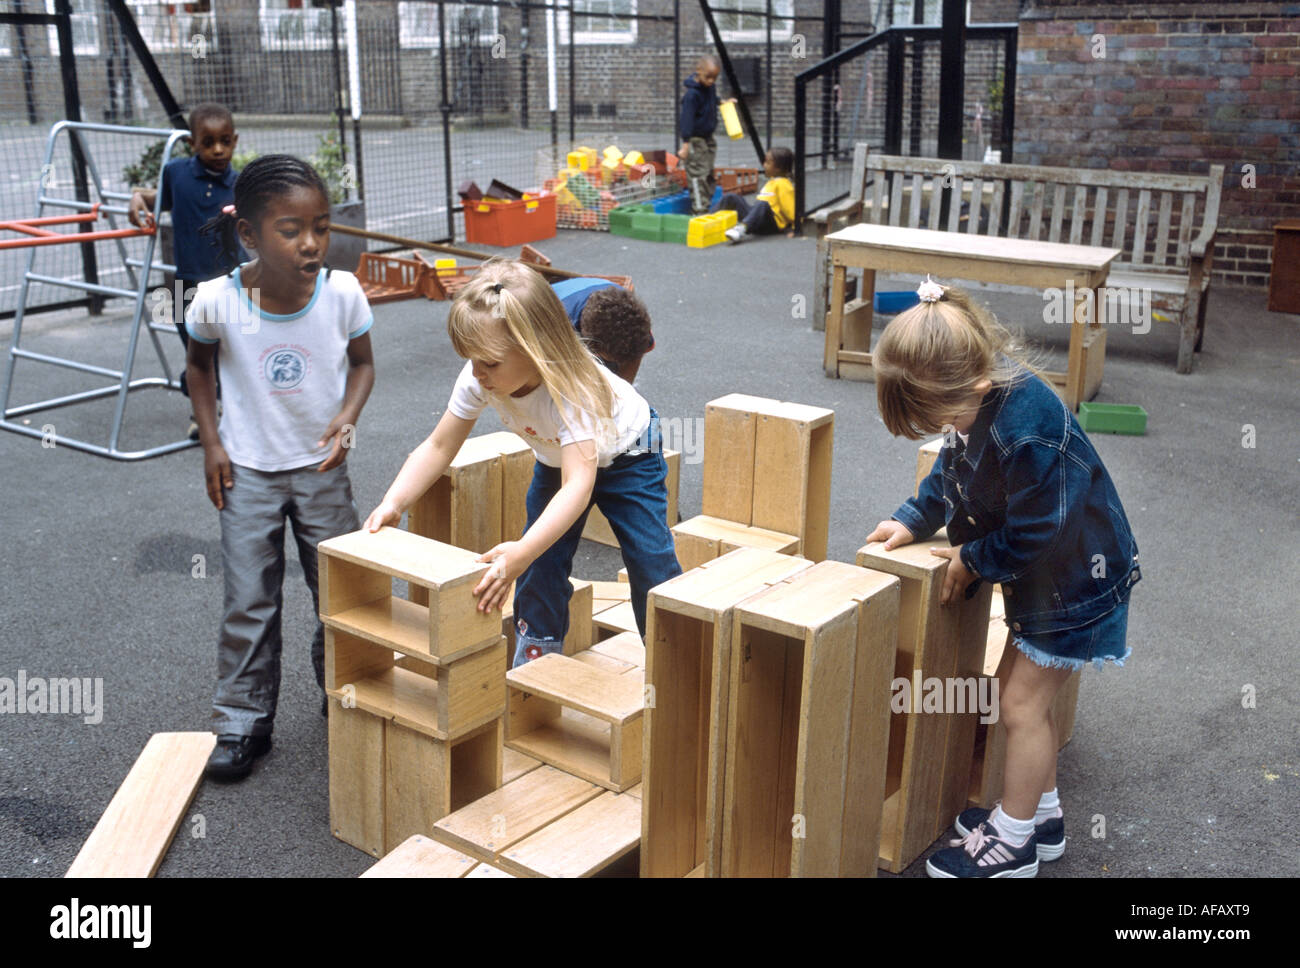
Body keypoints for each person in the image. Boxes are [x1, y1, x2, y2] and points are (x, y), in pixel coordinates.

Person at [864, 277, 1140, 878]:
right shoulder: (974, 401)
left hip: (1076, 586)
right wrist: (913, 520)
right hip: (1047, 582)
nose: (946, 428)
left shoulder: (1028, 429)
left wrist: (971, 559)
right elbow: (952, 470)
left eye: (945, 416)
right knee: (1016, 689)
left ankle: (1012, 843)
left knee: (1019, 707)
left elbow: (1037, 531)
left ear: (977, 386)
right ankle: (1041, 818)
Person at [363, 260, 680, 668]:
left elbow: (578, 488)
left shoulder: (574, 387)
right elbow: (440, 445)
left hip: (627, 453)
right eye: (470, 359)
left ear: (537, 349)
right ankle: (537, 655)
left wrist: (521, 552)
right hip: (558, 458)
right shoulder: (480, 373)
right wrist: (395, 502)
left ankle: (672, 659)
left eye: (490, 363)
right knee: (540, 563)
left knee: (648, 559)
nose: (477, 374)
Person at [185, 155, 376, 781]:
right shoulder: (215, 301)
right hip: (248, 474)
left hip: (322, 471)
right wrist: (212, 444)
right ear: (249, 235)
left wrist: (347, 419)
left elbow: (363, 364)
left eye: (320, 226)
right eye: (291, 229)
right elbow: (198, 368)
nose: (312, 242)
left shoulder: (343, 292)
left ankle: (347, 697)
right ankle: (242, 724)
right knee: (249, 601)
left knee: (342, 593)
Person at [129, 102, 246, 439]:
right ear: (193, 143)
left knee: (235, 349)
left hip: (232, 281)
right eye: (208, 142)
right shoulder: (177, 173)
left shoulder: (240, 185)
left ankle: (235, 409)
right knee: (196, 350)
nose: (218, 149)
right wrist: (137, 197)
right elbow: (159, 199)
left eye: (225, 140)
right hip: (185, 283)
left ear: (235, 140)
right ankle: (202, 413)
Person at [549, 277, 655, 384]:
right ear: (593, 349)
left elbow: (634, 360)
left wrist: (624, 389)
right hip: (554, 316)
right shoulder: (554, 321)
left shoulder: (636, 320)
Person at [679, 55, 732, 215]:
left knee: (708, 171)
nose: (711, 81)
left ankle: (706, 203)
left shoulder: (710, 88)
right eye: (708, 77)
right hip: (695, 140)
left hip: (708, 137)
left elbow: (709, 100)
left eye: (714, 78)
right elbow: (686, 120)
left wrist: (720, 101)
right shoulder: (691, 95)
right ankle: (699, 209)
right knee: (697, 173)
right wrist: (686, 145)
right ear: (698, 71)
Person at [718, 146, 796, 243]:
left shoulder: (784, 185)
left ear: (778, 168)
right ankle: (708, 220)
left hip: (770, 225)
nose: (764, 165)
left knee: (762, 204)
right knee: (731, 197)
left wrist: (795, 229)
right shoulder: (773, 181)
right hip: (758, 219)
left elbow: (791, 211)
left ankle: (741, 229)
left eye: (767, 163)